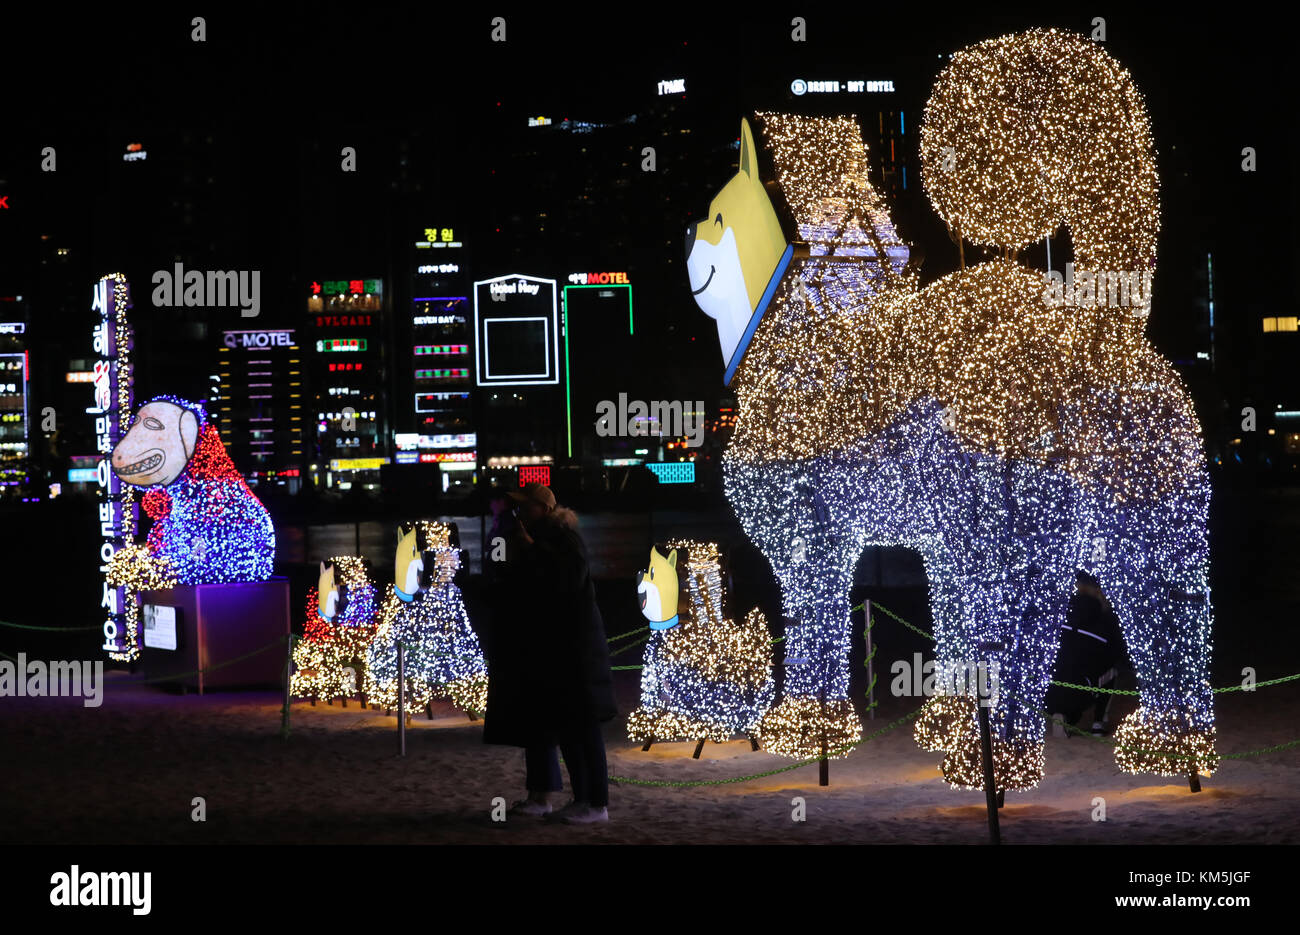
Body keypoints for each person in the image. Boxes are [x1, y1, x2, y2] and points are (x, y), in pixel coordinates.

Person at [481, 482, 617, 824]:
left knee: (583, 729)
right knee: (569, 729)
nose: (519, 512)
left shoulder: (563, 539)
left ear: (543, 508)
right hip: (559, 651)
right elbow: (511, 577)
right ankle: (581, 800)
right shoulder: (540, 538)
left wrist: (529, 548)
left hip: (576, 651)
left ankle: (594, 803)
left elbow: (565, 582)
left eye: (525, 506)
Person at [1047, 571, 1126, 736]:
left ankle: (1063, 715)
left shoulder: (1062, 613)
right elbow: (1118, 654)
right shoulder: (1106, 620)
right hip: (1083, 687)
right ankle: (1098, 723)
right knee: (1113, 671)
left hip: (1053, 687)